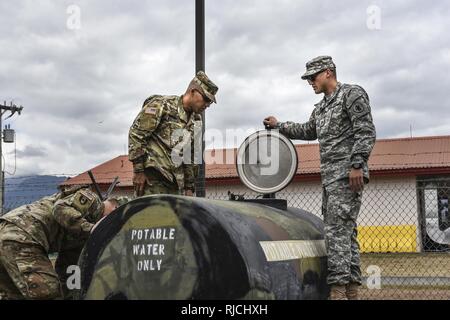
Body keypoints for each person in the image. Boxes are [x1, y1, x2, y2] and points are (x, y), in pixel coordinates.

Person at [264, 56, 376, 300]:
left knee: (336, 232)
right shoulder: (322, 107)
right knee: (346, 233)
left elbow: (365, 131)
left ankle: (337, 292)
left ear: (328, 73)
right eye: (307, 79)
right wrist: (279, 125)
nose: (310, 82)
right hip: (330, 181)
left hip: (347, 177)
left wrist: (357, 164)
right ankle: (351, 291)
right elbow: (307, 130)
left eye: (313, 77)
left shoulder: (351, 94)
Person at [0, 185, 122, 300]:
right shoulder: (93, 202)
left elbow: (67, 267)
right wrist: (90, 229)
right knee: (47, 292)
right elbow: (60, 209)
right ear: (115, 209)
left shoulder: (82, 236)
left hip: (11, 235)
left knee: (14, 295)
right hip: (22, 234)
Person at [129, 71, 218, 197]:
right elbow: (137, 134)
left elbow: (191, 156)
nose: (207, 105)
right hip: (153, 180)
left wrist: (189, 187)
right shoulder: (162, 105)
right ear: (193, 91)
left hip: (176, 186)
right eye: (206, 99)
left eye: (210, 102)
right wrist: (138, 170)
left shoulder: (196, 121)